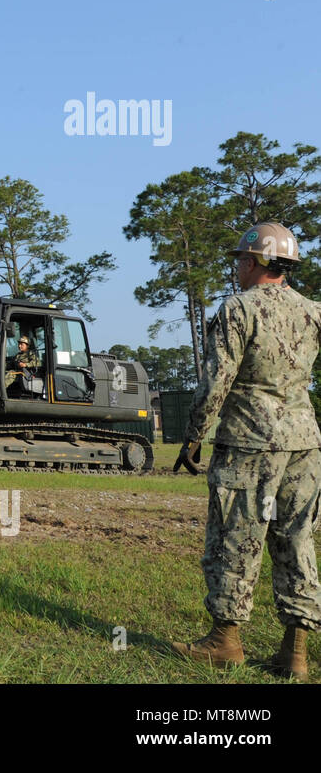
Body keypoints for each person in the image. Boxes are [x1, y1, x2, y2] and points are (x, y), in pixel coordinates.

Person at [171, 222, 321, 679]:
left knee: (236, 537)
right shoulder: (314, 311)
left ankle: (225, 641)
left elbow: (216, 381)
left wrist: (194, 434)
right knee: (297, 539)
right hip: (306, 444)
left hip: (250, 442)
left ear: (254, 263)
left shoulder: (238, 309)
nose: (237, 267)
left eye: (240, 260)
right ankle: (295, 653)